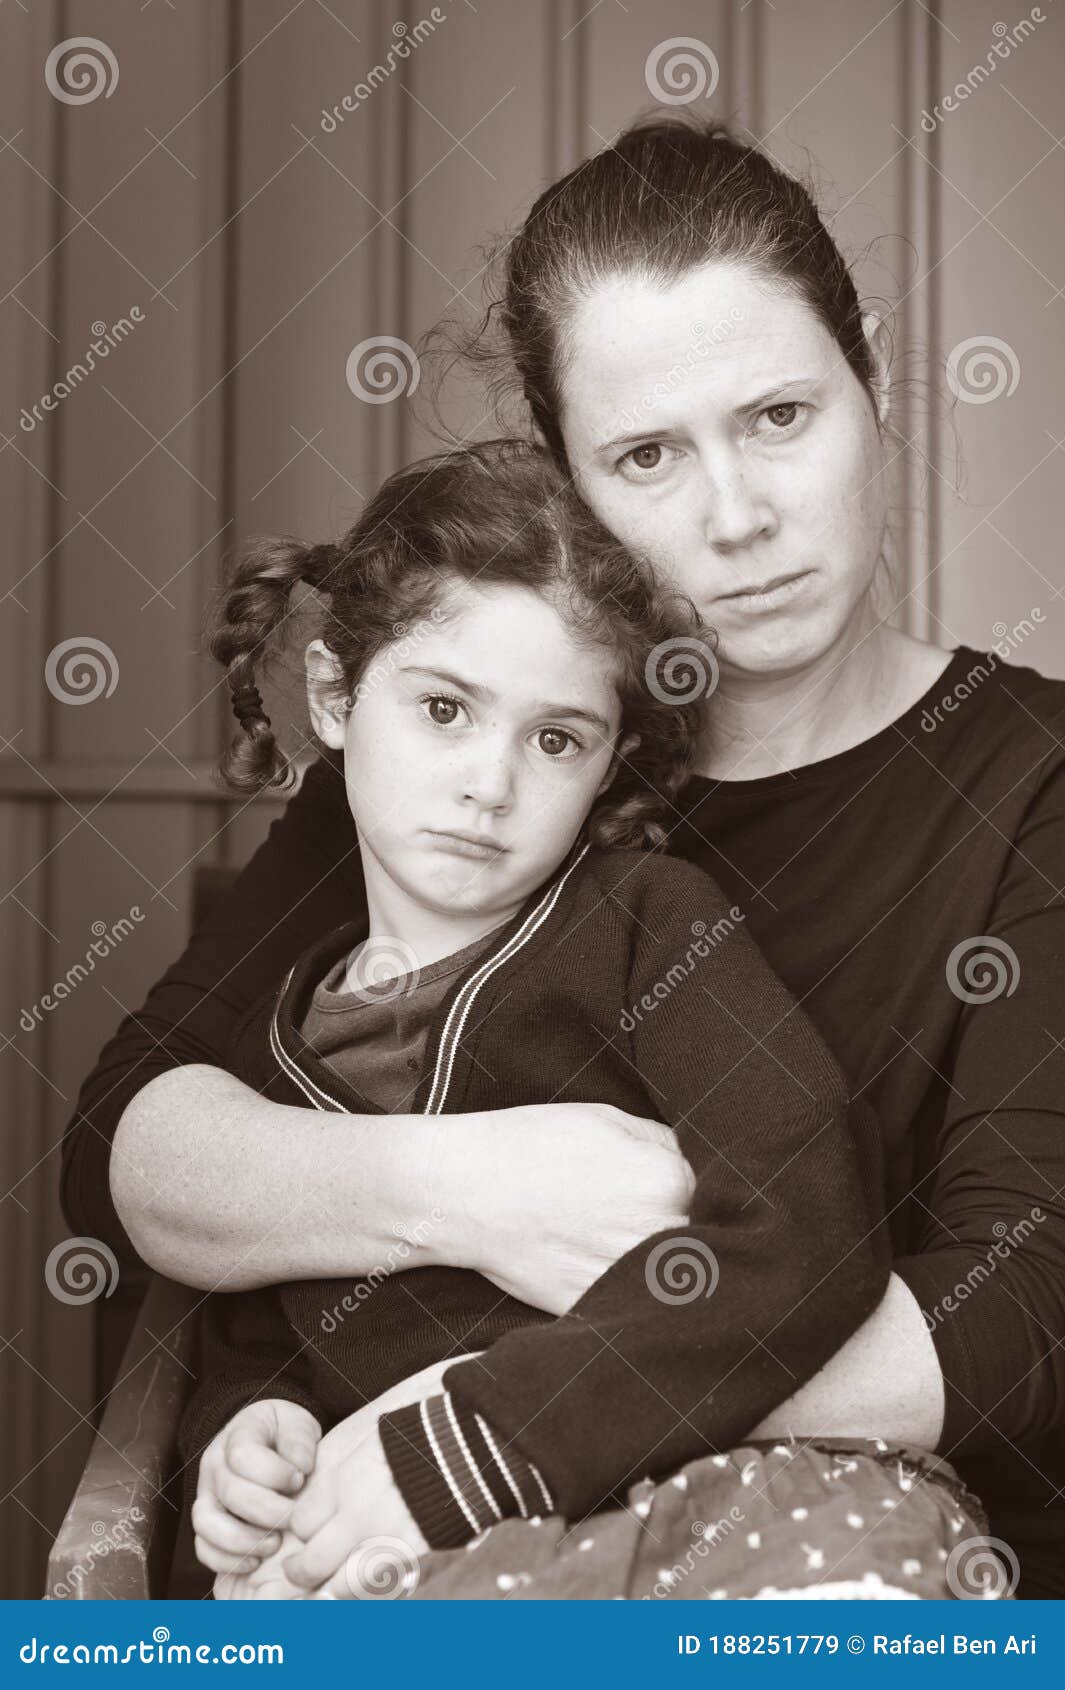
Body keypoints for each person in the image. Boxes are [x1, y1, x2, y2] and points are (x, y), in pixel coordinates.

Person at [61, 116, 1065, 1599]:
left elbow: (1022, 1306)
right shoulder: (478, 765)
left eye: (781, 415)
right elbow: (131, 1147)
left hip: (882, 1576)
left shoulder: (1031, 775)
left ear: (875, 390)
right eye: (647, 454)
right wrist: (466, 1183)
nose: (736, 517)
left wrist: (503, 1415)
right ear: (568, 486)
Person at [182, 439, 909, 1599]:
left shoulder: (649, 927)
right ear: (334, 696)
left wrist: (490, 1435)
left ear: (611, 759)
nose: (491, 782)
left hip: (713, 1505)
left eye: (556, 737)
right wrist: (252, 1426)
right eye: (443, 709)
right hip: (440, 1558)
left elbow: (808, 1224)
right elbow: (268, 1319)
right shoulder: (274, 1044)